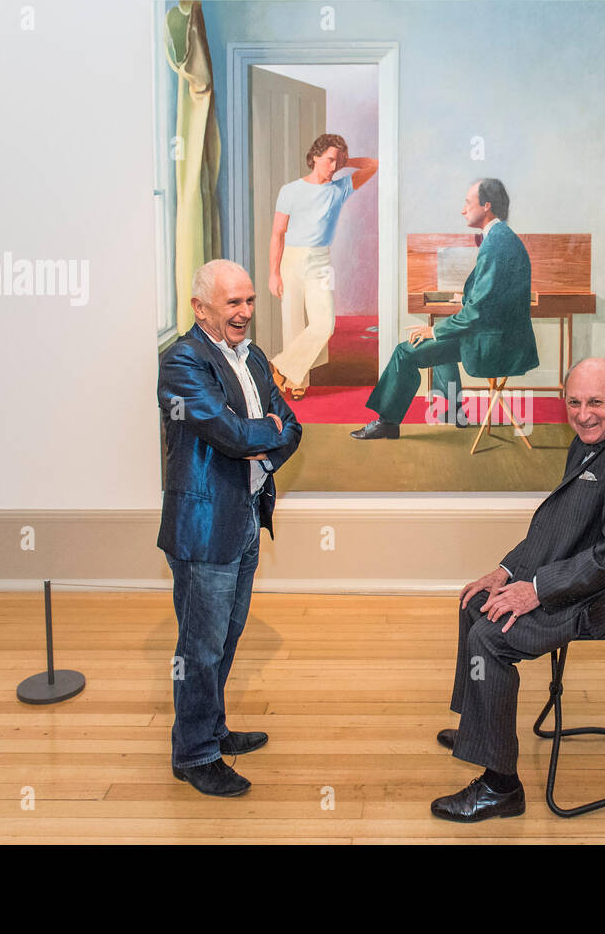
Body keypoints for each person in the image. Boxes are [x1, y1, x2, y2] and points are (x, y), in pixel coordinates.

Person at [431, 358, 605, 822]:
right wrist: (505, 572)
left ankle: (501, 787)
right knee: (476, 605)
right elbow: (559, 527)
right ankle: (478, 730)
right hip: (595, 580)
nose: (584, 414)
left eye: (596, 402)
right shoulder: (594, 440)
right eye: (575, 402)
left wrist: (536, 591)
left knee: (491, 636)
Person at [157, 259, 303, 797]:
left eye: (248, 301)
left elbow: (292, 427)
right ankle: (194, 754)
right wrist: (262, 431)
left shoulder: (254, 357)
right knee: (199, 647)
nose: (244, 313)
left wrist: (264, 432)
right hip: (203, 529)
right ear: (201, 309)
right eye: (232, 304)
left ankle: (212, 731)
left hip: (244, 516)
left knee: (225, 637)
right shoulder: (181, 363)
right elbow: (231, 434)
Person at [351, 178, 538, 439]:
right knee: (440, 342)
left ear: (486, 205)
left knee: (405, 351)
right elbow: (491, 297)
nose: (463, 209)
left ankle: (388, 422)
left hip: (495, 345)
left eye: (467, 202)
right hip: (497, 336)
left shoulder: (497, 243)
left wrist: (434, 331)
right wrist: (465, 298)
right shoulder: (500, 237)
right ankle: (455, 409)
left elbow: (478, 312)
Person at [268, 134, 378, 400]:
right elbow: (278, 233)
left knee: (323, 324)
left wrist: (343, 159)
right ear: (314, 156)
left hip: (320, 262)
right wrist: (273, 272)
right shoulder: (290, 190)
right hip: (290, 260)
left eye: (337, 162)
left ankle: (279, 367)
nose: (333, 167)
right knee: (292, 323)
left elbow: (373, 165)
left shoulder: (341, 188)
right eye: (329, 159)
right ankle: (296, 382)